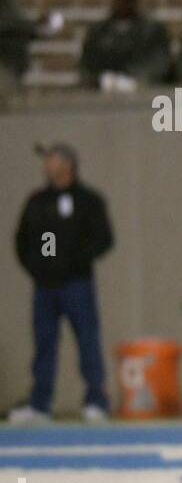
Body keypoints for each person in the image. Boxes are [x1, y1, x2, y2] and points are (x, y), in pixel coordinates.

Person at [9, 144, 113, 423]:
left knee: (87, 339)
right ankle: (40, 403)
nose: (45, 167)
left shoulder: (88, 201)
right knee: (44, 343)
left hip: (77, 284)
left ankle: (96, 400)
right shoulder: (37, 201)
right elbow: (22, 239)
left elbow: (103, 239)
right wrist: (38, 268)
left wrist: (75, 260)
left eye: (51, 161)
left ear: (67, 165)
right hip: (45, 286)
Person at [78, 0, 172, 89]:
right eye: (119, 0)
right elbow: (87, 65)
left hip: (140, 88)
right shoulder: (99, 31)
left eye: (127, 1)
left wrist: (136, 80)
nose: (122, 5)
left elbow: (159, 62)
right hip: (104, 89)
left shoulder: (152, 30)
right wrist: (101, 80)